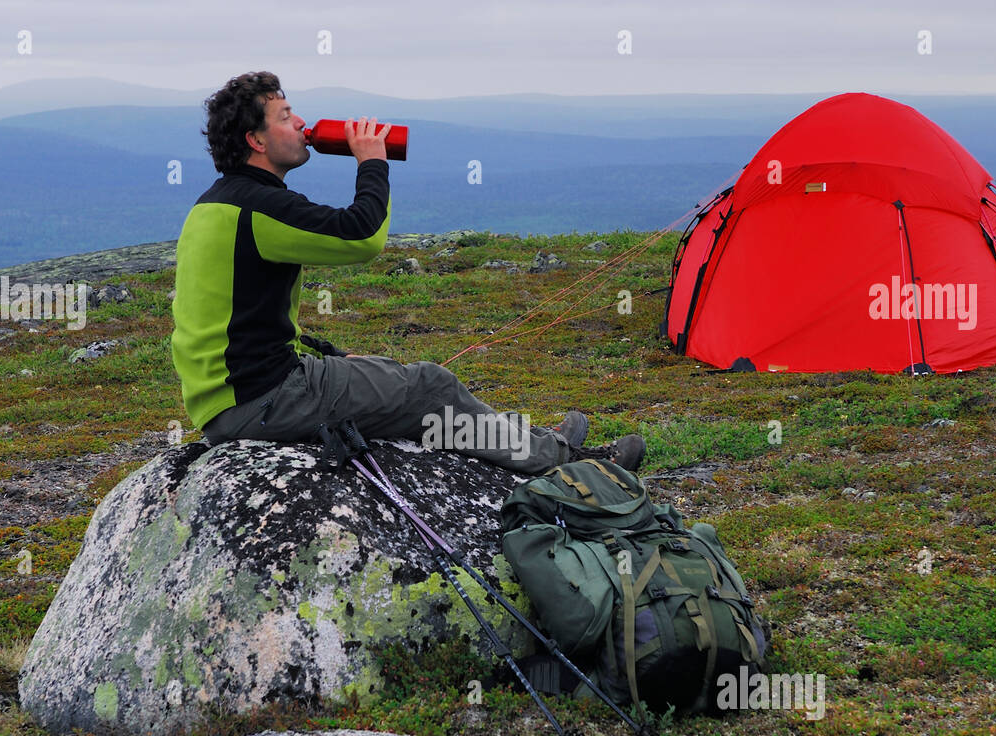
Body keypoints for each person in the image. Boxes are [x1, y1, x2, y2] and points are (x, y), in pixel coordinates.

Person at [171, 71, 645, 474]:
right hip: (263, 401)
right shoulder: (259, 208)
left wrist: (330, 357)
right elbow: (361, 236)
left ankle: (530, 437)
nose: (300, 123)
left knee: (399, 377)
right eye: (285, 117)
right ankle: (568, 462)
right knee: (429, 388)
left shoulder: (214, 205)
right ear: (256, 140)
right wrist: (372, 161)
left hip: (234, 400)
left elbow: (243, 320)